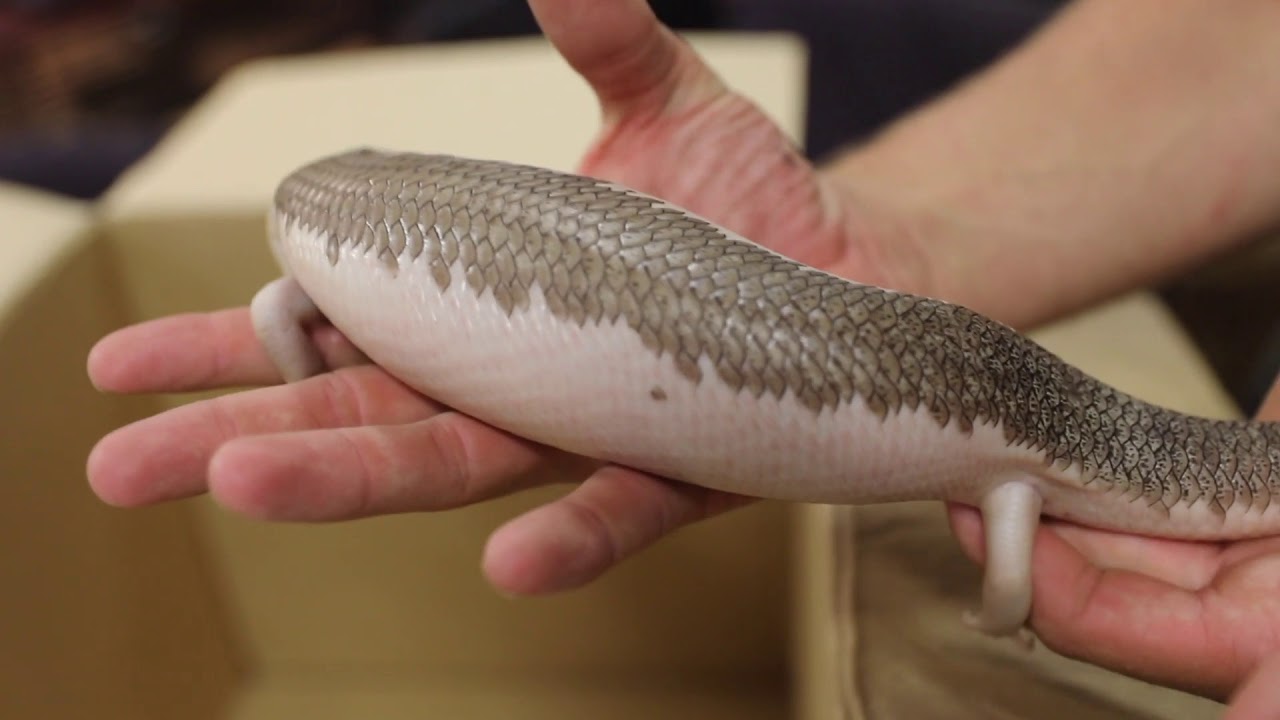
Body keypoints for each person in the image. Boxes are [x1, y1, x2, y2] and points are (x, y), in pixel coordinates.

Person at [84, 0, 1280, 715]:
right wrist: (1001, 607)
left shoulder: (300, 254)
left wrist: (307, 356)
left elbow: (282, 313)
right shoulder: (1012, 462)